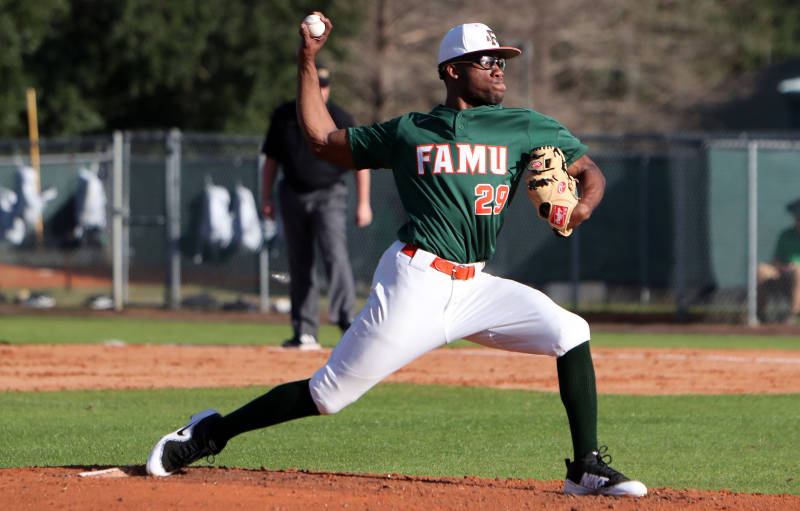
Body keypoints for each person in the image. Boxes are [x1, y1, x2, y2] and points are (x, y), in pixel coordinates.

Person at [146, 16, 647, 498]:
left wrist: (582, 207)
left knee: (570, 331)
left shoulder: (526, 125)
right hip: (415, 281)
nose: (498, 69)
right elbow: (322, 140)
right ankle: (208, 433)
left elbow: (590, 172)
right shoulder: (411, 131)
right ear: (452, 70)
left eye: (502, 61)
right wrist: (306, 61)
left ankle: (585, 468)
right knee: (328, 395)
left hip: (475, 287)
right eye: (486, 60)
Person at [261, 65, 372, 350]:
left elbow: (360, 161)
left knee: (335, 256)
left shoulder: (339, 116)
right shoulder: (285, 116)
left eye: (324, 85)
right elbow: (271, 160)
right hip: (292, 194)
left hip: (329, 194)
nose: (320, 90)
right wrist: (266, 197)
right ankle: (305, 331)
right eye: (314, 84)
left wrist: (363, 203)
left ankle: (347, 322)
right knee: (300, 263)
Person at [757, 198, 800, 323]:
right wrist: (783, 267)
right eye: (797, 218)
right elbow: (776, 259)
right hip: (782, 271)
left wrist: (795, 267)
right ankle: (759, 315)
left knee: (798, 272)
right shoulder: (786, 234)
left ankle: (794, 315)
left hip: (797, 273)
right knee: (761, 270)